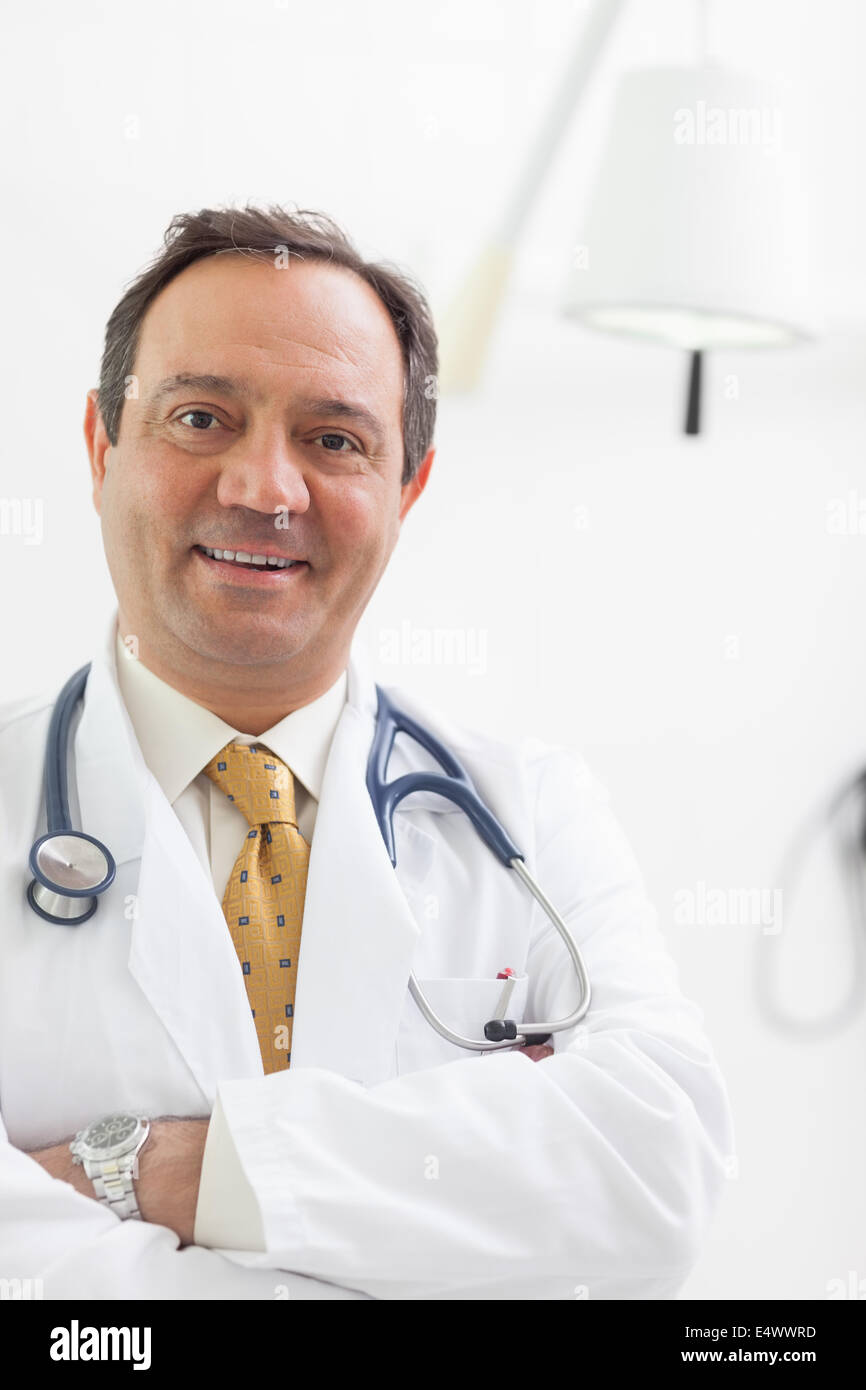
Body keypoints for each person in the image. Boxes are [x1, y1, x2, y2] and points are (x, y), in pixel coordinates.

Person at [0, 204, 733, 1301]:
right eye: (202, 418)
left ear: (408, 487)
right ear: (104, 446)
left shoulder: (528, 809)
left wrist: (157, 1171)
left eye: (333, 438)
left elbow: (653, 1165)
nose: (264, 490)